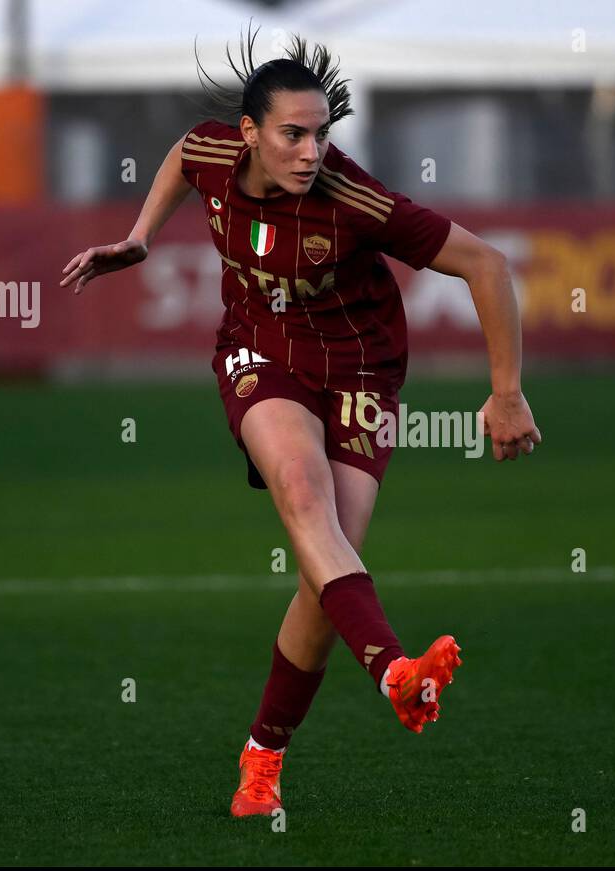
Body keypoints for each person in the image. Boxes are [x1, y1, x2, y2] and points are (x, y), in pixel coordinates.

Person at [60, 29, 541, 817]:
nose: (311, 149)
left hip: (359, 367)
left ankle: (262, 758)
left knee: (326, 576)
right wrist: (140, 239)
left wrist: (507, 391)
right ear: (249, 133)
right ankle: (395, 673)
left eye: (321, 133)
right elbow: (184, 154)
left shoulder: (354, 199)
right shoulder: (218, 155)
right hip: (260, 352)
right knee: (300, 494)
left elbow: (485, 264)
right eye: (293, 133)